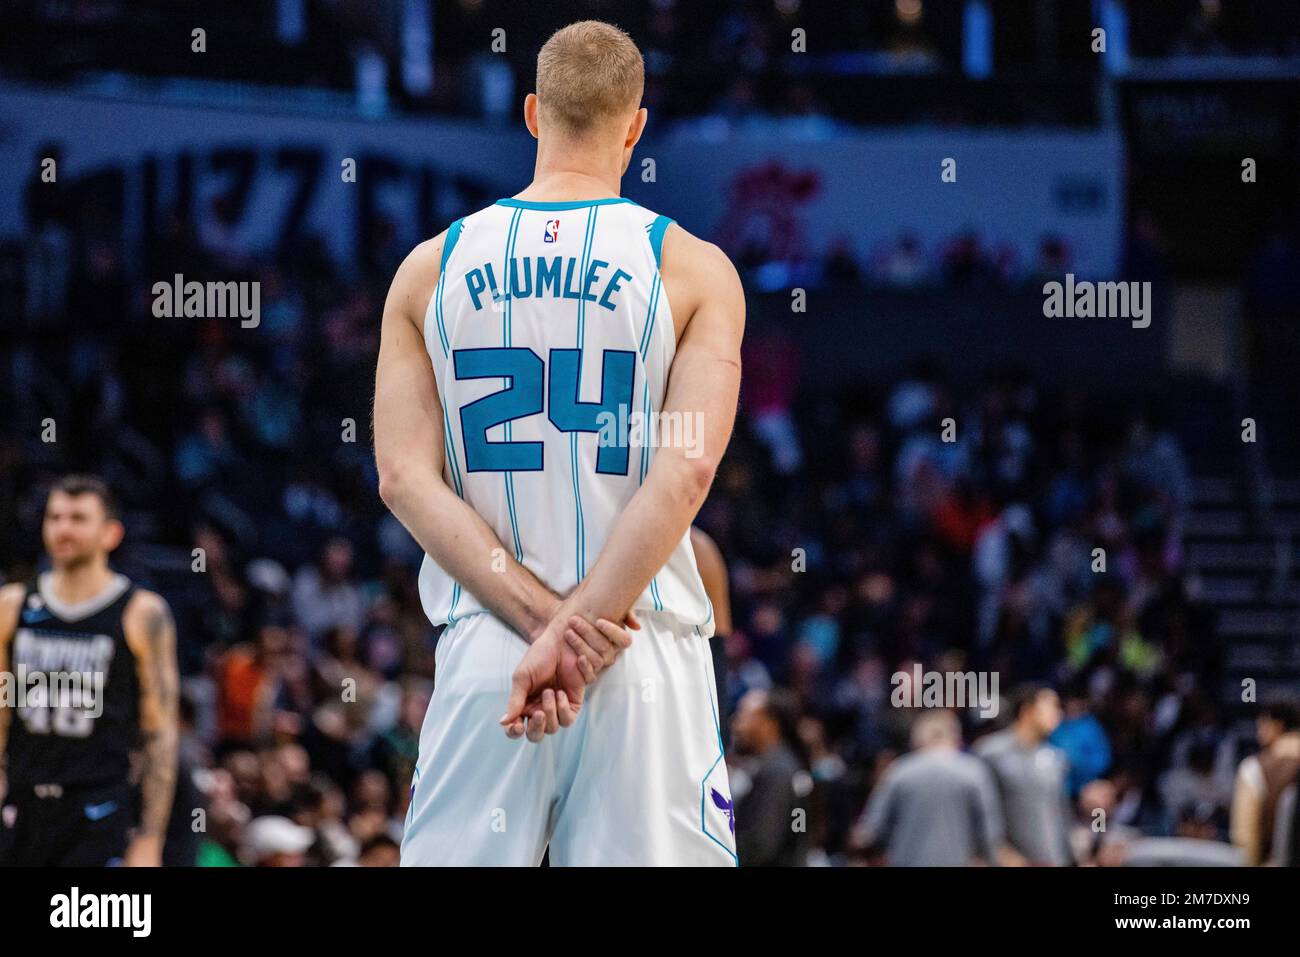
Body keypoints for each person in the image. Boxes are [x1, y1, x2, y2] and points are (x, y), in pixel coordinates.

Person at [374, 20, 744, 865]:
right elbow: (685, 470)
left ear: (534, 115)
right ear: (636, 127)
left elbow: (401, 476)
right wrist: (578, 630)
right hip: (637, 647)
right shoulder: (692, 268)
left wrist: (541, 623)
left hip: (488, 653)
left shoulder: (429, 267)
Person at [0, 475, 179, 866]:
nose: (63, 528)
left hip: (99, 808)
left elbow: (160, 733)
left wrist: (150, 837)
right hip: (23, 804)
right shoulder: (12, 606)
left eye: (78, 518)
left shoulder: (141, 612)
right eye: (55, 517)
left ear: (111, 533)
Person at [853, 710, 1004, 867]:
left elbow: (873, 830)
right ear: (956, 738)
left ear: (916, 740)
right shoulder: (974, 772)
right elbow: (989, 832)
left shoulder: (898, 771)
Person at [975, 685, 1074, 866]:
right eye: (1051, 706)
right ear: (1027, 710)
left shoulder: (1055, 759)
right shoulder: (991, 752)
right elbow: (981, 810)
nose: (1058, 713)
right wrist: (999, 852)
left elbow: (1061, 813)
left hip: (1052, 860)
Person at [1230, 699, 1300, 865]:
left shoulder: (1254, 768)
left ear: (1277, 724)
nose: (1258, 732)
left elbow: (1245, 838)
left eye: (1261, 724)